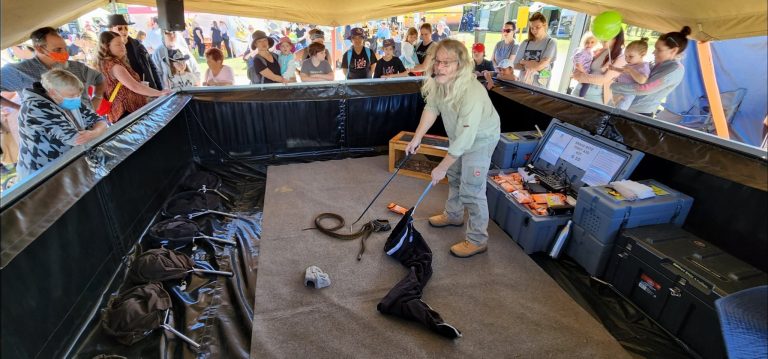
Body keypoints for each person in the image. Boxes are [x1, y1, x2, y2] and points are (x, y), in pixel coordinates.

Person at [404, 39, 500, 258]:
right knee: (456, 176)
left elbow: (467, 137)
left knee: (472, 189)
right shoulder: (441, 82)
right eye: (438, 61)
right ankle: (454, 215)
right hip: (459, 136)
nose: (440, 67)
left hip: (480, 139)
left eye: (447, 62)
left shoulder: (471, 92)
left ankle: (477, 240)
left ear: (461, 64)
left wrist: (441, 167)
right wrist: (417, 137)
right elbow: (432, 108)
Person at [16, 69, 108, 179]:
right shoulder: (36, 107)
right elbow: (76, 139)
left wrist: (94, 132)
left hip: (66, 168)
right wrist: (95, 132)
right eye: (72, 95)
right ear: (53, 92)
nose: (77, 98)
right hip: (41, 176)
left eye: (78, 94)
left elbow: (100, 121)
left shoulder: (66, 99)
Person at [1, 27, 104, 111]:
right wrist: (19, 108)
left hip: (90, 124)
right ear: (40, 49)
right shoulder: (20, 71)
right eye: (58, 50)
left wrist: (97, 97)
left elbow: (99, 78)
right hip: (58, 132)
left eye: (65, 48)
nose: (65, 54)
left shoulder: (75, 66)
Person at [611, 27, 691, 117]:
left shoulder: (675, 69)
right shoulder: (660, 64)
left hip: (639, 114)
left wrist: (614, 86)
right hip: (630, 109)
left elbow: (645, 88)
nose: (653, 52)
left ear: (673, 50)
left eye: (659, 50)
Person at [98, 31, 167, 123]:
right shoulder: (114, 66)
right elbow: (135, 86)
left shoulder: (108, 64)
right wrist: (159, 93)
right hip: (127, 113)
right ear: (107, 47)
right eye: (118, 44)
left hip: (124, 114)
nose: (123, 46)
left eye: (123, 43)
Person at [108, 14, 163, 91]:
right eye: (119, 28)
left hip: (148, 88)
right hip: (128, 94)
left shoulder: (137, 45)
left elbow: (152, 67)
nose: (124, 31)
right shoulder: (109, 51)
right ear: (111, 29)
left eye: (126, 28)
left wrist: (159, 88)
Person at [572, 30, 626, 105]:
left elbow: (604, 79)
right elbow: (582, 65)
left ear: (615, 39)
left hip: (595, 96)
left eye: (606, 37)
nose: (602, 39)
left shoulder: (621, 57)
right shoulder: (599, 50)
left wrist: (580, 76)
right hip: (578, 89)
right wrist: (577, 73)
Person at [513, 12, 557, 88]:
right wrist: (531, 65)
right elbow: (515, 65)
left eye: (537, 27)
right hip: (524, 84)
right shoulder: (525, 43)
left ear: (545, 25)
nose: (534, 30)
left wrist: (524, 62)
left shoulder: (551, 43)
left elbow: (540, 66)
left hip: (541, 87)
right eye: (532, 28)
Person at [611, 38, 651, 110]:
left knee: (620, 110)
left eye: (631, 56)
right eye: (626, 56)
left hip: (627, 93)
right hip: (619, 89)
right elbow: (624, 71)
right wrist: (614, 69)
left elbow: (642, 80)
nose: (627, 59)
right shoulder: (632, 64)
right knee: (612, 107)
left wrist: (631, 70)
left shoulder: (643, 66)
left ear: (642, 55)